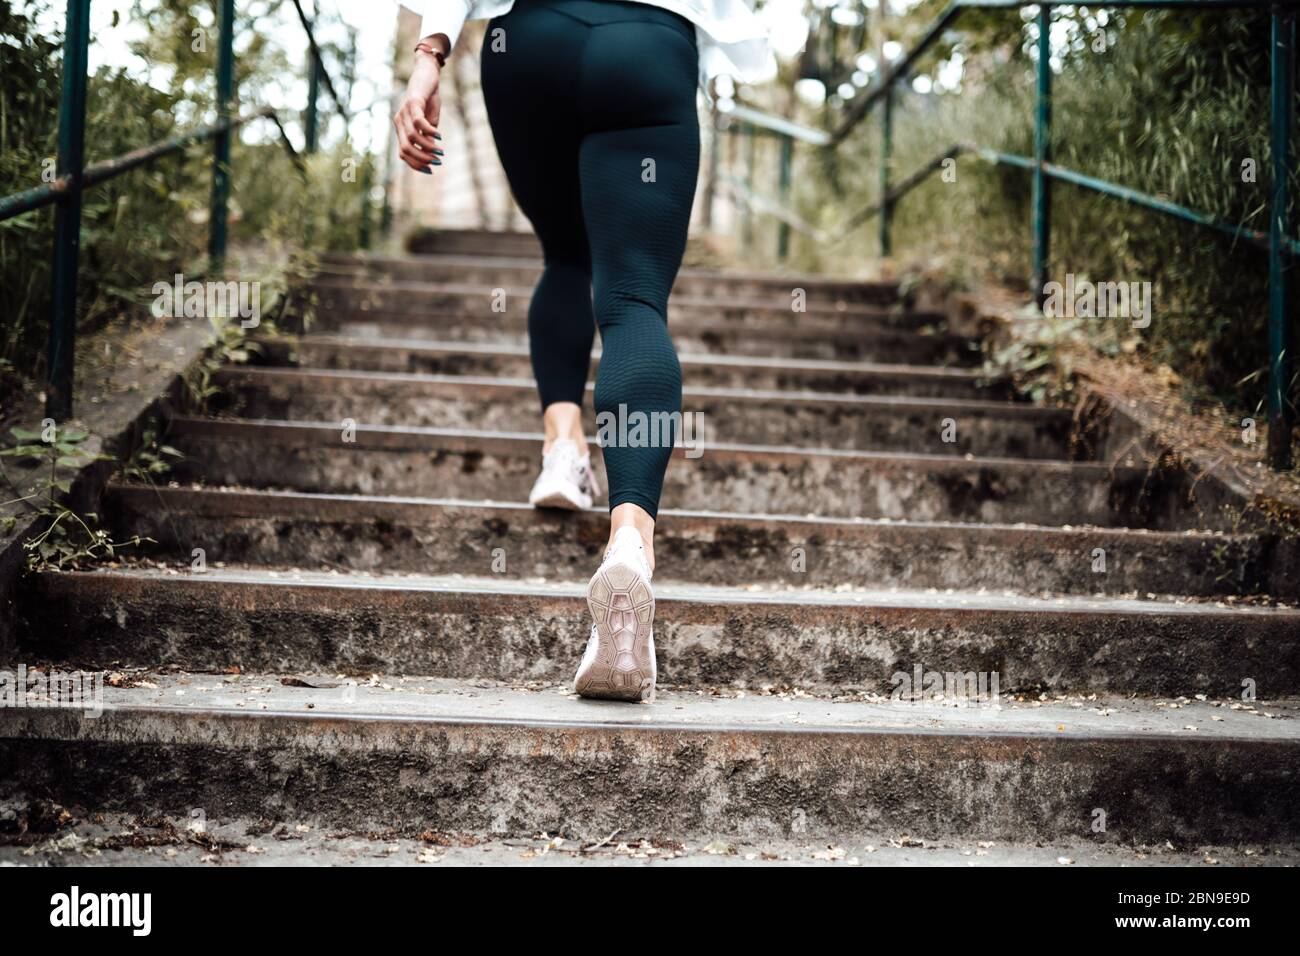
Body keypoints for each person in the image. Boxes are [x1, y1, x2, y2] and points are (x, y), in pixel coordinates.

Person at [394, 0, 773, 701]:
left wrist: (427, 59)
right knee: (633, 299)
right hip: (649, 45)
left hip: (529, 44)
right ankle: (629, 540)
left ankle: (563, 451)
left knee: (565, 255)